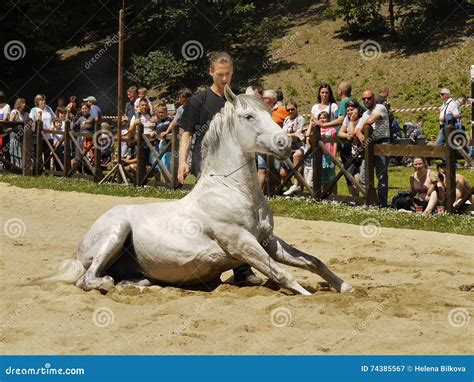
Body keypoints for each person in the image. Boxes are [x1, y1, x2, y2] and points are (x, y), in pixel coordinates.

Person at [178, 51, 262, 286]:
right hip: (207, 166)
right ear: (211, 73)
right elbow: (186, 133)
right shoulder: (198, 101)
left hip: (237, 168)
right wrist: (182, 162)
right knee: (213, 217)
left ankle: (242, 270)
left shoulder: (236, 101)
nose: (225, 79)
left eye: (229, 74)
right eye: (220, 74)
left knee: (243, 216)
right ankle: (209, 264)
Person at [355, 90, 390, 207]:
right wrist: (359, 134)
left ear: (373, 98)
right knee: (364, 176)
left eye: (369, 98)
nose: (366, 100)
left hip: (381, 143)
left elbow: (369, 122)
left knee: (381, 176)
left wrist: (360, 130)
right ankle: (373, 201)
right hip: (369, 145)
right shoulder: (365, 113)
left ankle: (383, 204)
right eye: (364, 98)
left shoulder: (380, 107)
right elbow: (357, 129)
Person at [276, 101, 305, 196]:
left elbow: (299, 133)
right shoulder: (287, 119)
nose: (290, 111)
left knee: (297, 169)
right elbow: (283, 133)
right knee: (283, 173)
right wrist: (292, 134)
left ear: (296, 109)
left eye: (293, 109)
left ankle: (298, 189)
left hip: (298, 146)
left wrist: (289, 135)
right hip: (287, 146)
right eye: (288, 110)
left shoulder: (300, 119)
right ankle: (291, 191)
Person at [337, 100, 363, 197]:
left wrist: (352, 122)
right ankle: (354, 197)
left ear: (357, 109)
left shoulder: (361, 119)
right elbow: (340, 132)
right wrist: (347, 135)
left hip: (361, 151)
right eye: (348, 110)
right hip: (351, 151)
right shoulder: (346, 119)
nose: (349, 112)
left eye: (352, 109)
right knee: (349, 173)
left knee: (357, 173)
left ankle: (357, 196)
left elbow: (352, 133)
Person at [8, 98, 28, 168]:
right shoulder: (14, 111)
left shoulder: (23, 114)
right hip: (14, 134)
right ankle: (14, 167)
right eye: (23, 103)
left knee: (19, 150)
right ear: (19, 104)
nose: (24, 104)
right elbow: (11, 122)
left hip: (20, 135)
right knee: (14, 150)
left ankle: (19, 167)